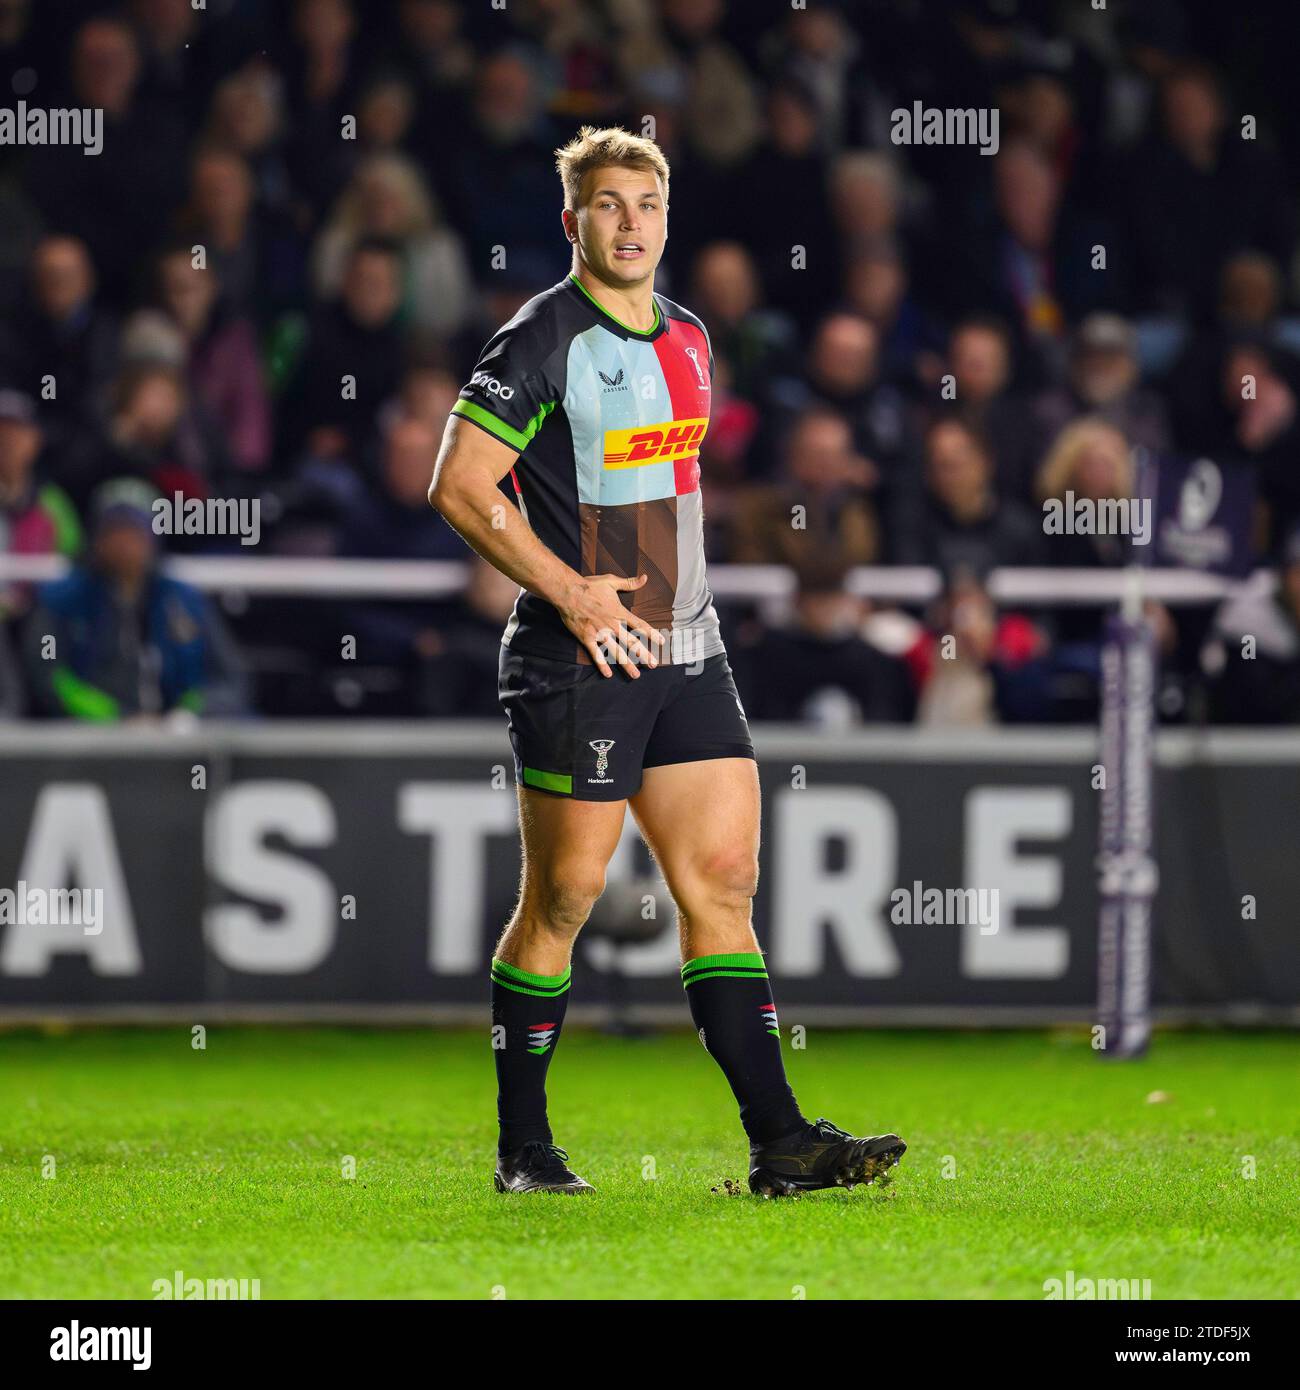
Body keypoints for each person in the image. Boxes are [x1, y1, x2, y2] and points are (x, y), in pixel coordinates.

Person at [429, 125, 905, 1198]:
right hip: (577, 653)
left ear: (666, 218)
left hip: (688, 649)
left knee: (724, 881)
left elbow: (667, 487)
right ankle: (524, 1148)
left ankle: (779, 1142)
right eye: (608, 204)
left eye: (646, 204)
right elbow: (459, 487)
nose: (630, 223)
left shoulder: (689, 334)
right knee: (563, 896)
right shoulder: (539, 337)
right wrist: (573, 592)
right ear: (574, 221)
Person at [23, 479, 247, 720]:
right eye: (115, 531)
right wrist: (113, 716)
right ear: (97, 537)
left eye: (135, 532)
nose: (125, 544)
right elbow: (47, 672)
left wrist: (185, 714)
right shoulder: (61, 600)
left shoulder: (184, 601)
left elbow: (229, 676)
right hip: (90, 737)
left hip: (179, 736)